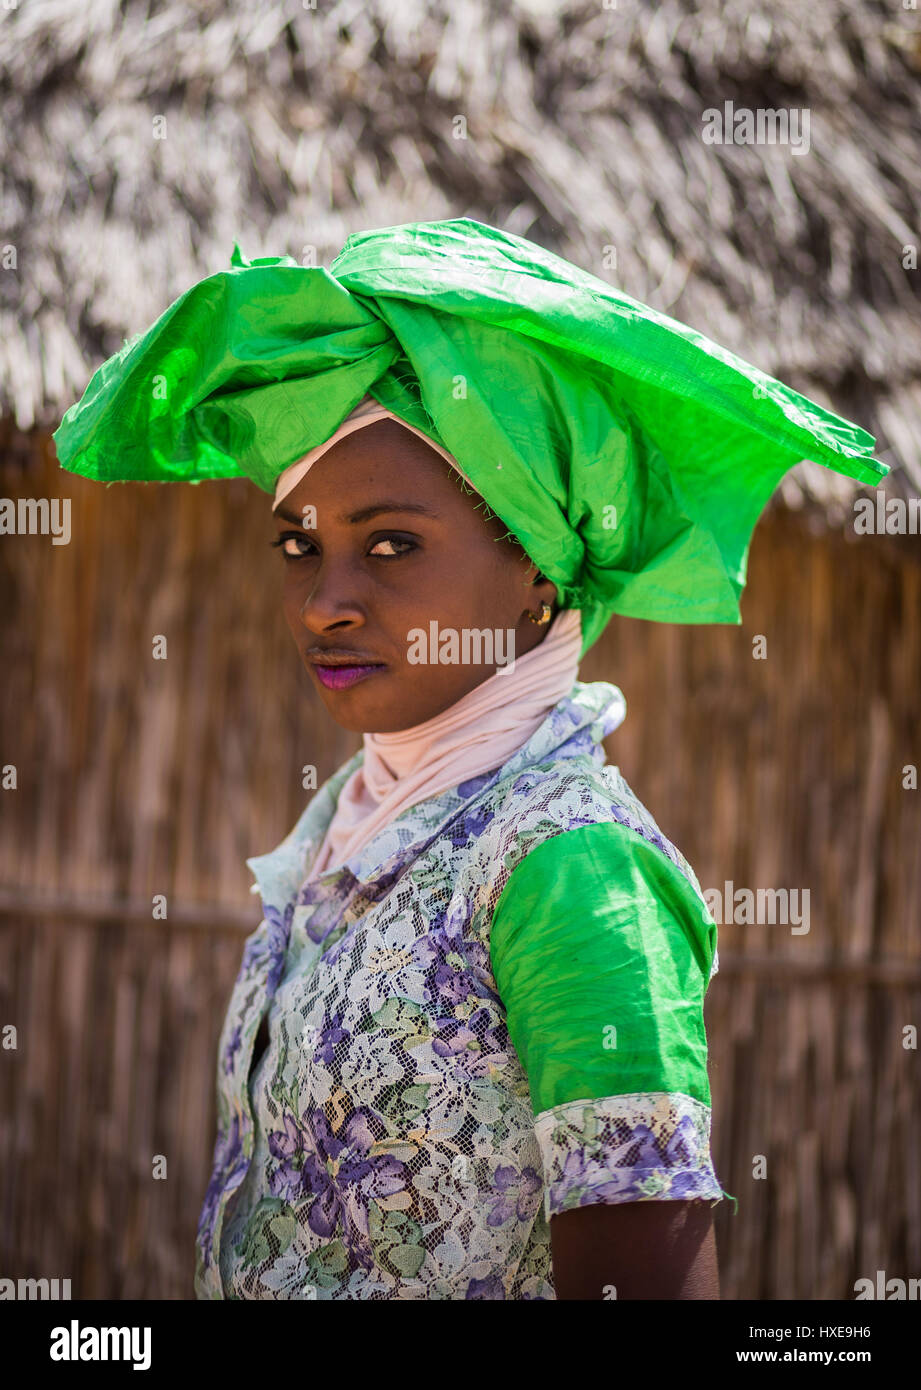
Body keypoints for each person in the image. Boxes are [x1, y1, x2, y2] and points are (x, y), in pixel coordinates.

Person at [53, 217, 886, 1299]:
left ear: (539, 572)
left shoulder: (571, 871)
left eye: (392, 544)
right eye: (300, 544)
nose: (325, 601)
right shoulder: (355, 828)